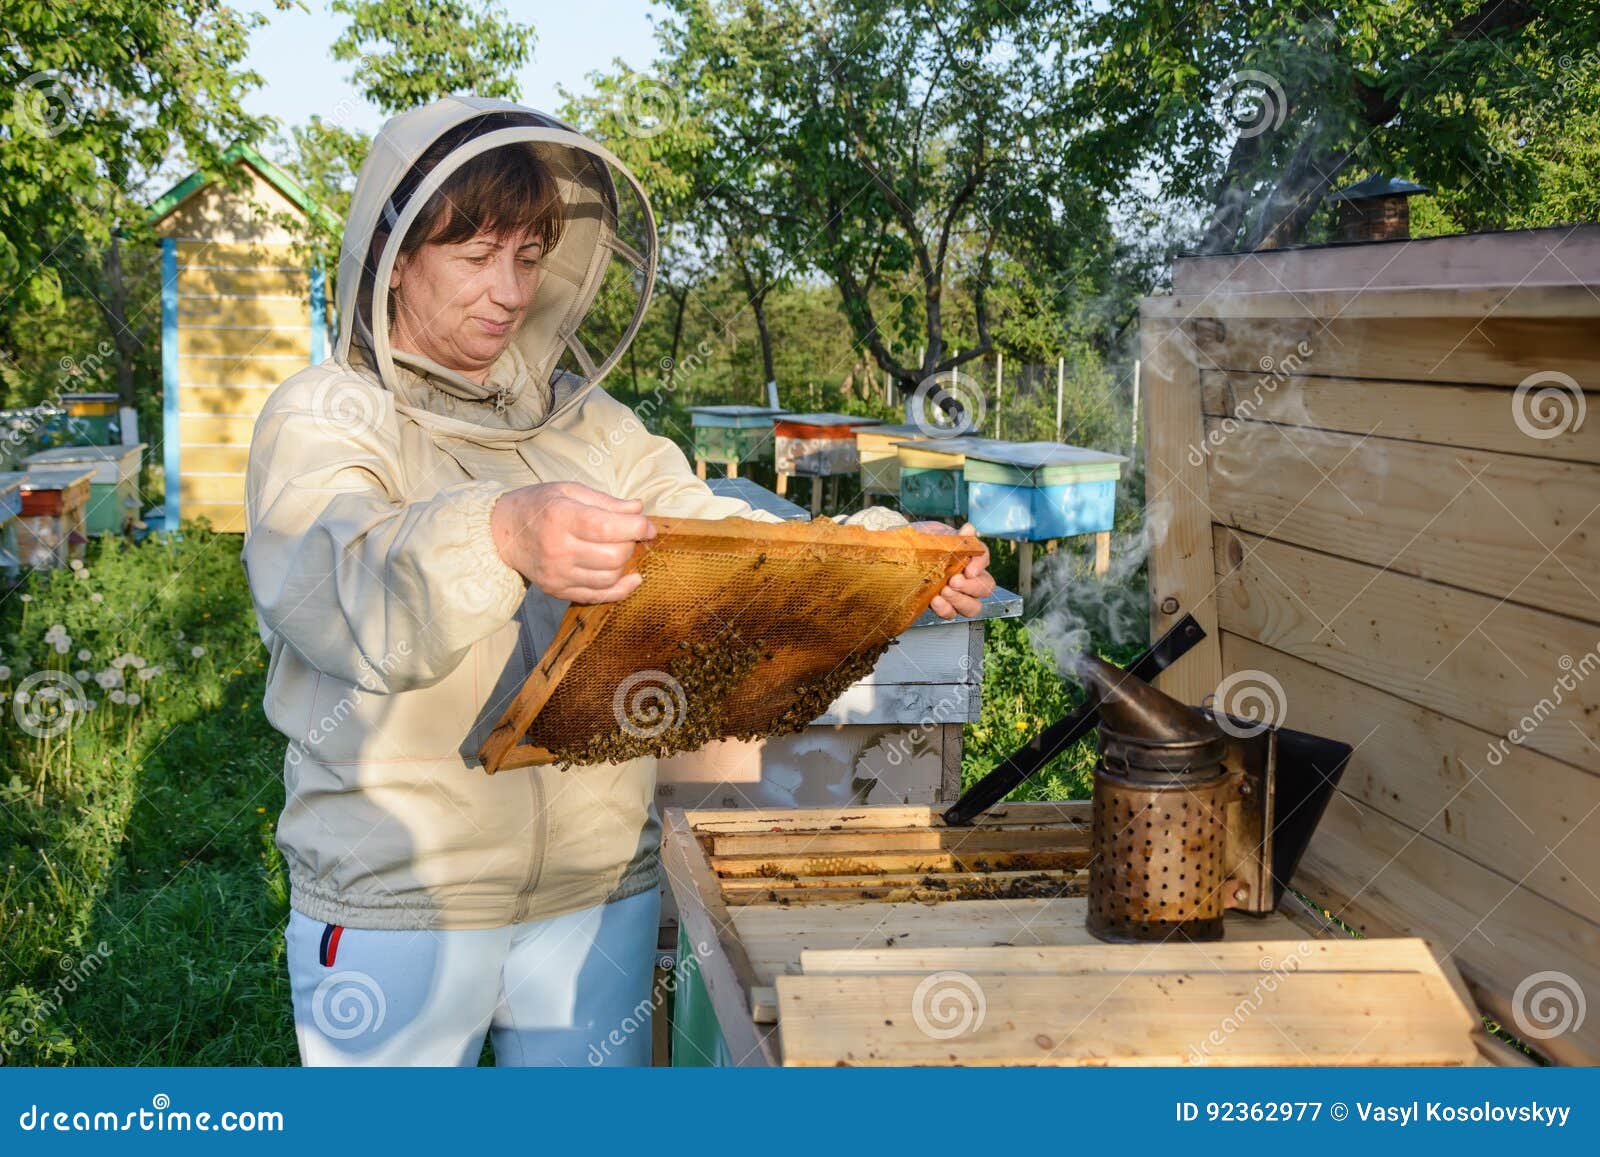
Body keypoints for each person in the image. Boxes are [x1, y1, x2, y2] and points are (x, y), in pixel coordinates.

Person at [243, 97, 995, 1067]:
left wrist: (884, 554)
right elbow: (338, 591)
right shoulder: (327, 415)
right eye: (475, 256)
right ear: (393, 253)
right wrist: (503, 531)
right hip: (402, 896)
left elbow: (722, 537)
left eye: (527, 255)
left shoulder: (591, 427)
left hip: (599, 885)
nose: (509, 290)